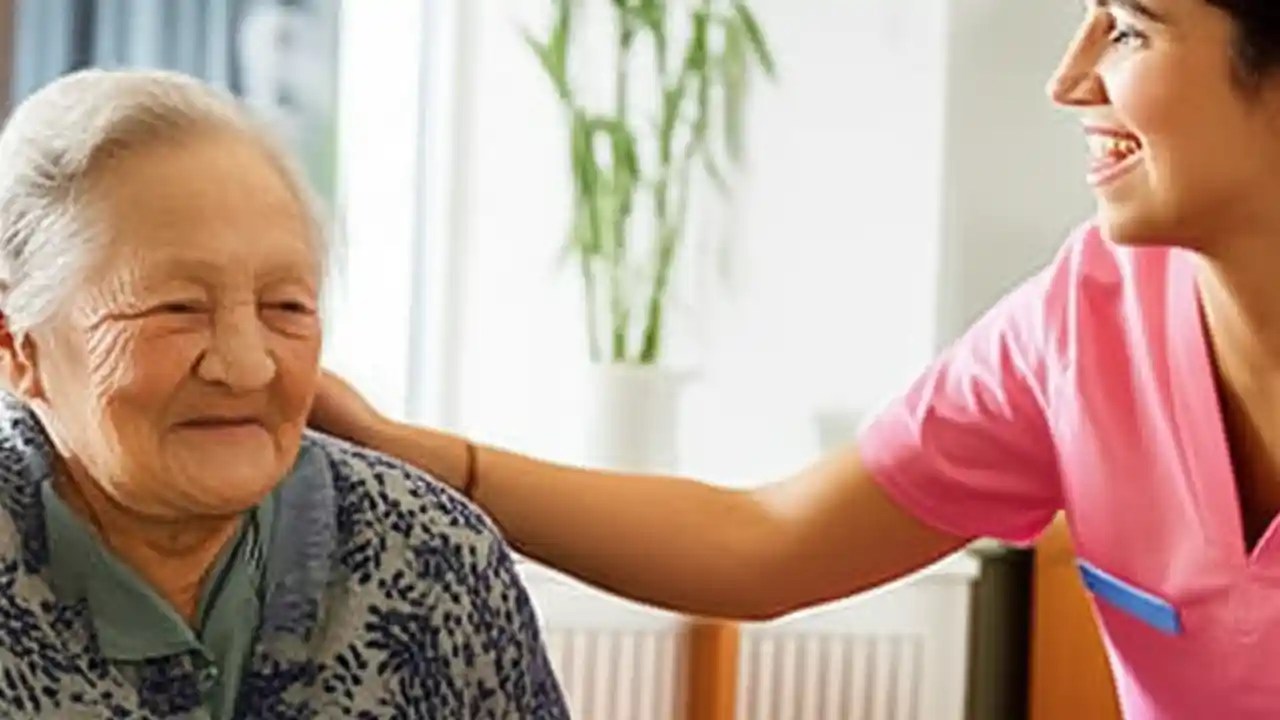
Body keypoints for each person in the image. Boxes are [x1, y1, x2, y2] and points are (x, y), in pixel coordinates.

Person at [307, 0, 1280, 717]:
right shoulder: (1081, 325)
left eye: (1127, 29)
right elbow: (762, 540)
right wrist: (425, 460)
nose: (1067, 80)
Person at [0, 69, 568, 719]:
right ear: (18, 347)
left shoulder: (436, 562)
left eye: (286, 306)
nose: (247, 367)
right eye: (178, 307)